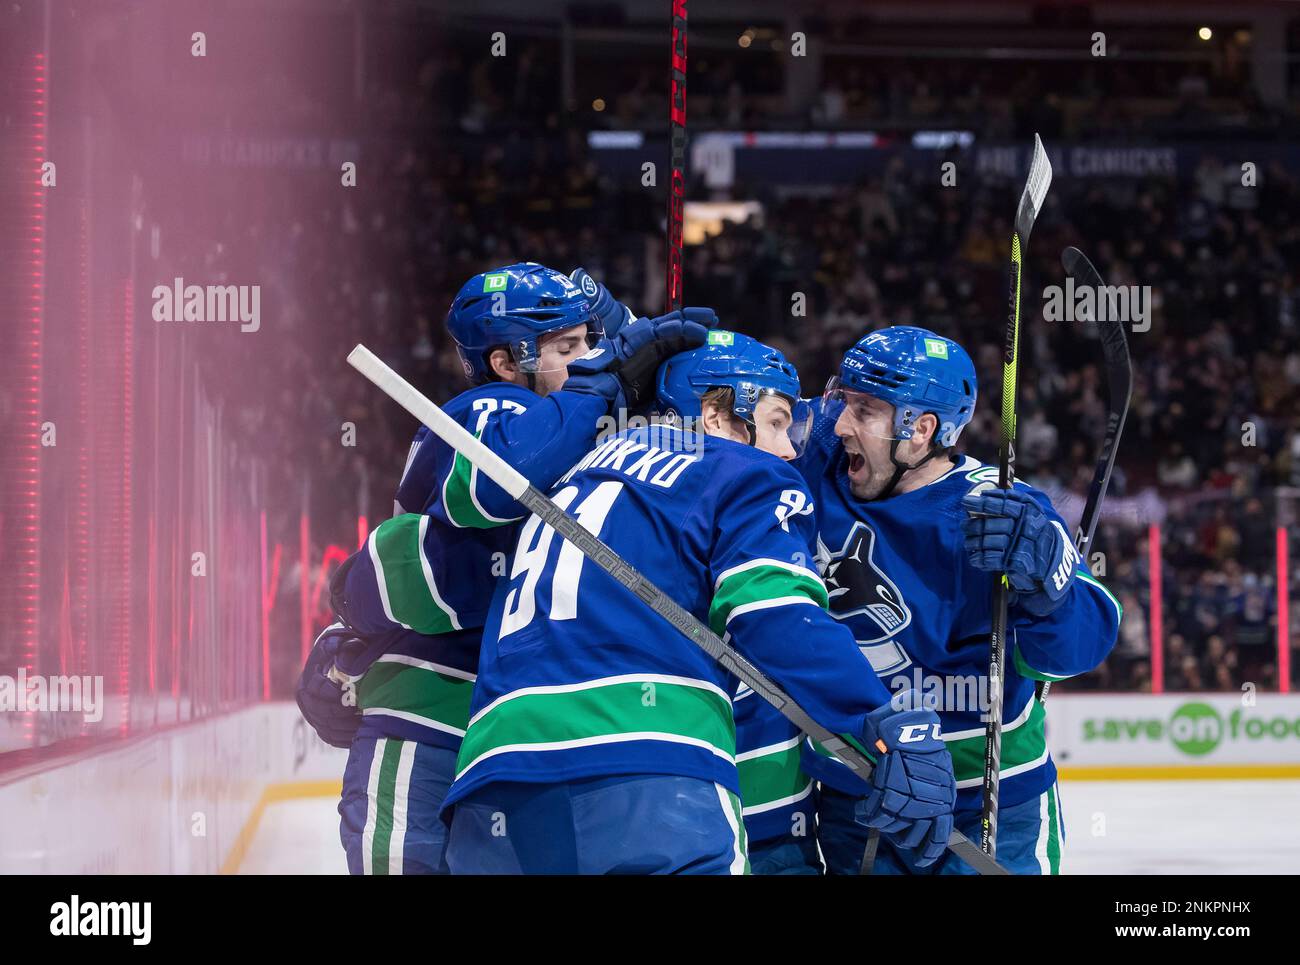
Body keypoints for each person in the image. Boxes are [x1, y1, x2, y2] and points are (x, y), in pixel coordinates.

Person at [342, 329, 957, 874]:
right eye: (774, 422)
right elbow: (775, 615)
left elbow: (395, 572)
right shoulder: (744, 475)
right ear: (716, 418)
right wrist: (877, 722)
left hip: (494, 786)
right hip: (652, 778)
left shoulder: (569, 473)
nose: (791, 450)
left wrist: (346, 643)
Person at [297, 261, 712, 873]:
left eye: (592, 343)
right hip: (427, 721)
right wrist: (605, 380)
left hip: (507, 743)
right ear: (504, 361)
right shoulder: (490, 407)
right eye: (569, 347)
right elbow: (496, 487)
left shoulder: (569, 430)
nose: (588, 357)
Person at [797, 325, 1122, 875]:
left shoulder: (1000, 513)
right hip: (856, 798)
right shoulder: (820, 454)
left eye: (866, 410)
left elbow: (1079, 649)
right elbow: (737, 410)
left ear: (921, 429)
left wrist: (1050, 589)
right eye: (844, 400)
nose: (844, 424)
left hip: (987, 804)